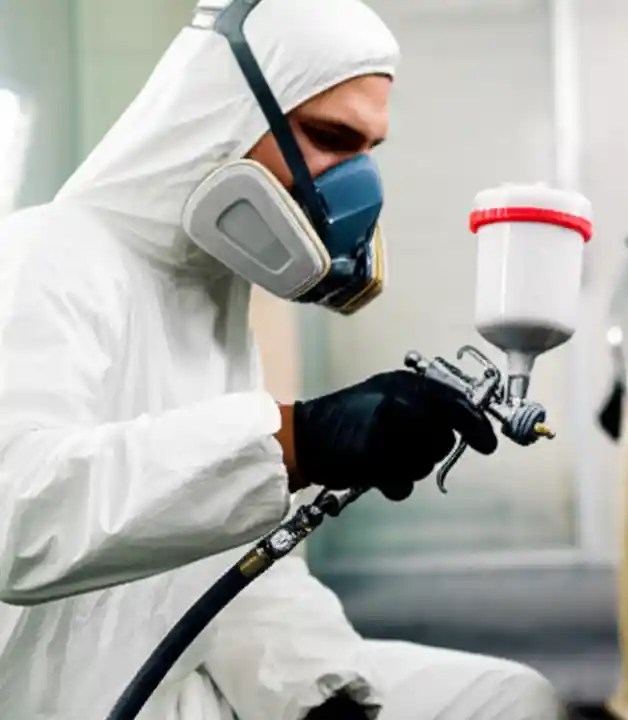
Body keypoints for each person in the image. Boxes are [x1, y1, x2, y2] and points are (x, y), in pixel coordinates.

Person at [0, 0, 563, 718]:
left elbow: (231, 562)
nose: (352, 185)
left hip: (186, 680)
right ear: (222, 116)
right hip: (72, 701)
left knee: (508, 699)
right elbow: (19, 518)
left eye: (366, 150)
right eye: (330, 139)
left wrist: (321, 695)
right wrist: (297, 441)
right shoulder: (45, 256)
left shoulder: (210, 299)